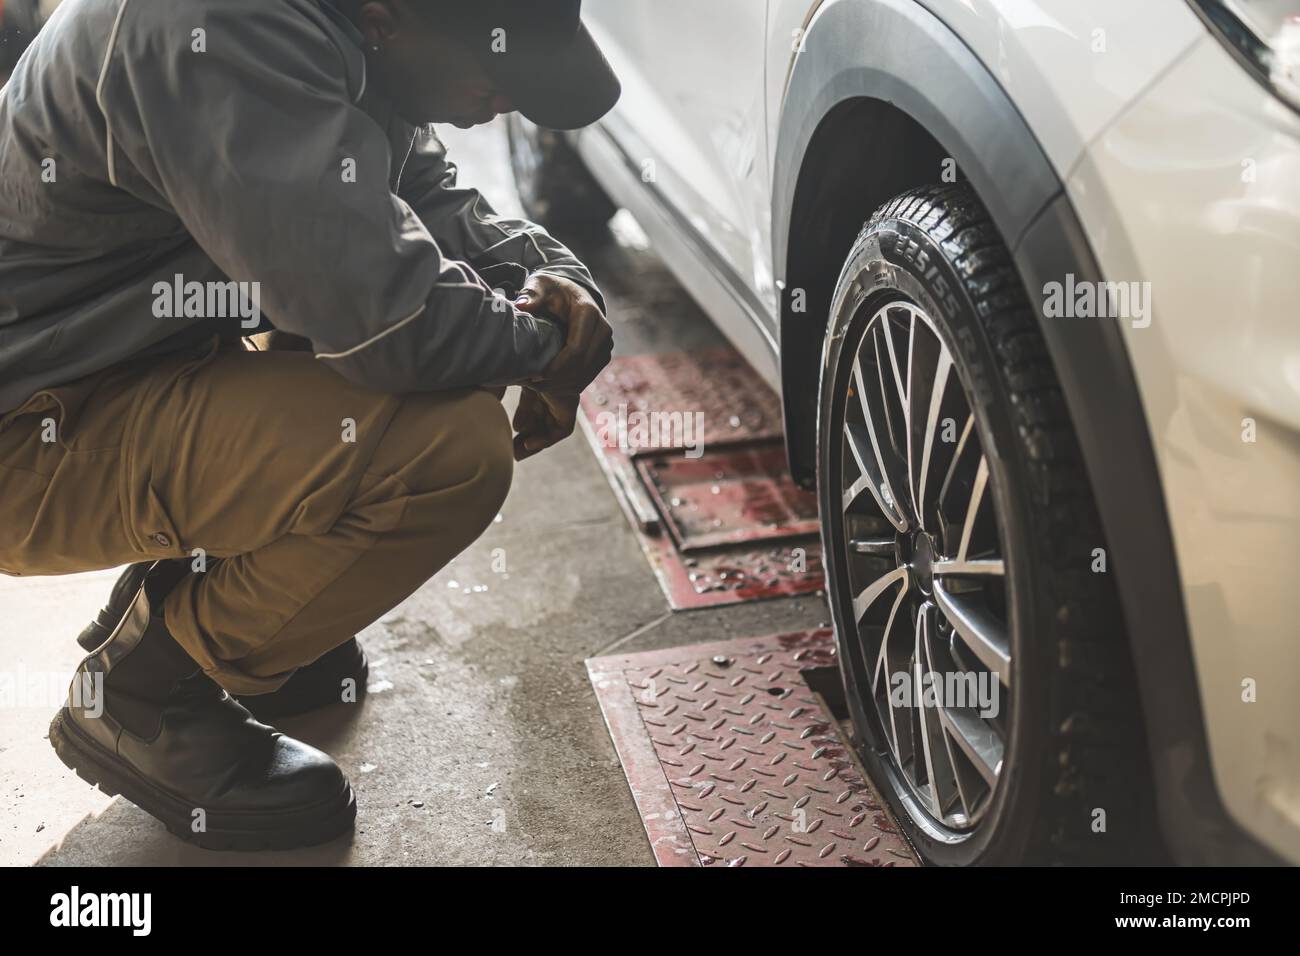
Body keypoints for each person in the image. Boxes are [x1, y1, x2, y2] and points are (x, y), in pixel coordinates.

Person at [0, 0, 618, 850]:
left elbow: (423, 196)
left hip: (96, 372)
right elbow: (392, 318)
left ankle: (192, 600)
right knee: (446, 451)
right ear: (390, 15)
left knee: (329, 303)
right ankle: (143, 696)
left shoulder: (348, 30)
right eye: (489, 67)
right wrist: (546, 345)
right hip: (26, 433)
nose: (501, 99)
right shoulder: (222, 35)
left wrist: (557, 280)